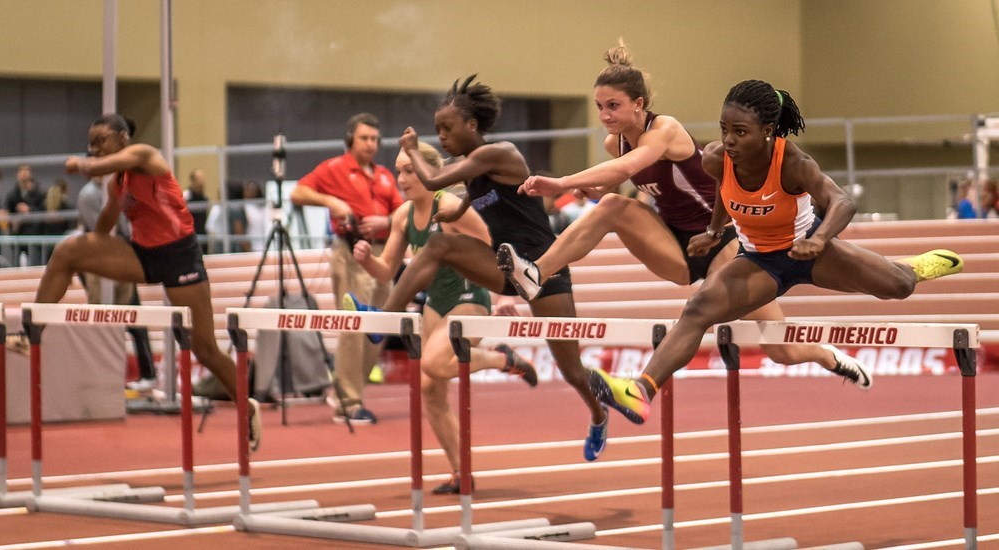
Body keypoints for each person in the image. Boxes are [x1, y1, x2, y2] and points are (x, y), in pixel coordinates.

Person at [500, 42, 873, 420]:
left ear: (639, 104)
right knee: (612, 206)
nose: (605, 115)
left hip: (722, 239)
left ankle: (832, 357)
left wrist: (561, 182)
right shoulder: (616, 143)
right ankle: (536, 274)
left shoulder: (665, 129)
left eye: (613, 106)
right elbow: (627, 182)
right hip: (676, 245)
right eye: (599, 107)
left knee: (779, 347)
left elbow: (627, 170)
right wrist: (590, 189)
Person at [585, 79, 965, 422]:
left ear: (767, 131)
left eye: (740, 132)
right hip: (760, 262)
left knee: (897, 286)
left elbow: (842, 201)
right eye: (724, 130)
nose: (729, 140)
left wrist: (819, 239)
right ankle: (640, 390)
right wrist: (715, 230)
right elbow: (721, 189)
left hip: (809, 250)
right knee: (698, 309)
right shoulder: (717, 157)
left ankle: (912, 268)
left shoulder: (793, 162)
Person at [351, 75, 611, 462]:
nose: (441, 136)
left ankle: (597, 414)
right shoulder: (473, 170)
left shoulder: (498, 154)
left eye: (446, 128)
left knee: (571, 369)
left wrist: (411, 148)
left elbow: (436, 178)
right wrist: (437, 214)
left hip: (543, 271)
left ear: (472, 125)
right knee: (440, 244)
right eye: (437, 129)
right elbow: (463, 203)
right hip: (507, 268)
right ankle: (387, 318)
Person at [42, 113, 262, 451]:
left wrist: (83, 165)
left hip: (179, 256)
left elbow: (98, 166)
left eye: (100, 140)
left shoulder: (145, 155)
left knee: (205, 349)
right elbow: (108, 217)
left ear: (122, 138)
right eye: (90, 143)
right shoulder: (118, 183)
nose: (94, 148)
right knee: (68, 251)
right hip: (142, 256)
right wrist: (93, 251)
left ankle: (246, 406)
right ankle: (32, 327)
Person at [349, 140, 537, 493]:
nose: (403, 178)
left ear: (429, 172)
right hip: (437, 301)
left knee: (434, 364)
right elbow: (387, 268)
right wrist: (365, 260)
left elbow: (495, 248)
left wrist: (500, 297)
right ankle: (460, 472)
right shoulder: (402, 216)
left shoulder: (450, 206)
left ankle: (499, 358)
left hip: (471, 296)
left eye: (410, 170)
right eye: (399, 171)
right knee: (429, 390)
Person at [290, 112, 402, 424]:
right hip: (351, 253)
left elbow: (402, 212)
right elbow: (298, 192)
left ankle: (346, 390)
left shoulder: (383, 175)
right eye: (365, 138)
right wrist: (332, 203)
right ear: (350, 139)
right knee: (354, 328)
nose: (371, 144)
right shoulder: (334, 168)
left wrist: (387, 221)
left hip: (384, 254)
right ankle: (348, 403)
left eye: (375, 139)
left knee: (379, 327)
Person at [76, 175, 157, 391]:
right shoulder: (89, 195)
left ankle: (147, 373)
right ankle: (101, 375)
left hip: (121, 259)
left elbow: (127, 223)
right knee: (101, 320)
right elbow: (99, 230)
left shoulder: (117, 190)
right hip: (99, 262)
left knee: (134, 317)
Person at [5, 164, 46, 266]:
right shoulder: (12, 195)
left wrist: (29, 210)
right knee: (16, 265)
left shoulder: (38, 193)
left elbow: (43, 211)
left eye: (26, 171)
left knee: (34, 264)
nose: (23, 175)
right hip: (17, 235)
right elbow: (8, 214)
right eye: (21, 172)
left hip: (34, 235)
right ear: (17, 175)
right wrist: (14, 221)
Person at [184, 168, 210, 253]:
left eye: (202, 178)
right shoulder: (186, 197)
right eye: (198, 178)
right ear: (192, 181)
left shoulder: (205, 198)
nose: (201, 181)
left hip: (203, 236)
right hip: (190, 237)